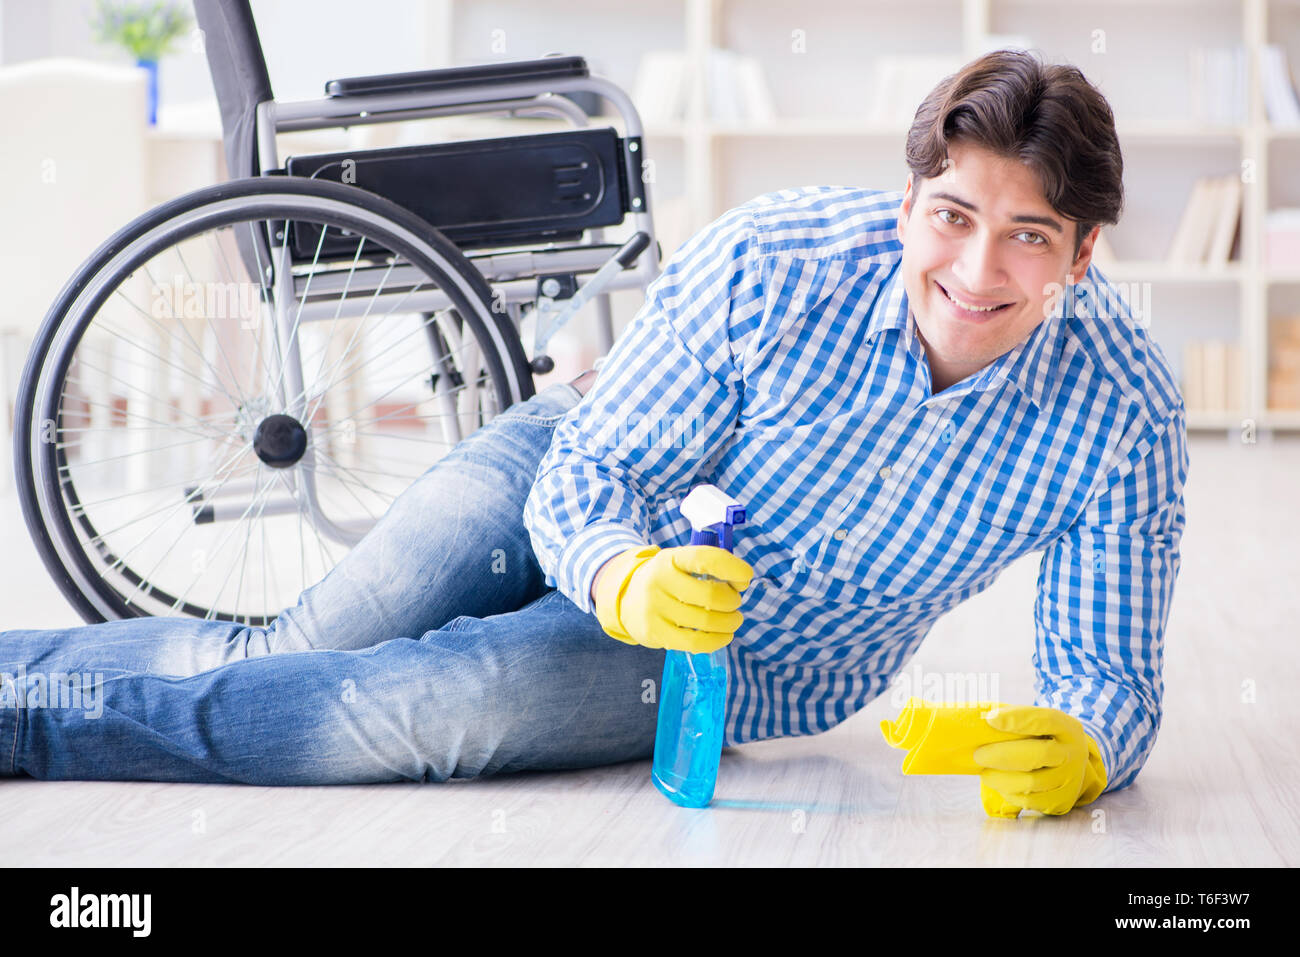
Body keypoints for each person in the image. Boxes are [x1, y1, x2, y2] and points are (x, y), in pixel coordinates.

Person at [0, 49, 1187, 818]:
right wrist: (622, 570)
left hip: (723, 666)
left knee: (409, 707)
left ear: (1085, 255)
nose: (976, 270)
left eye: (1030, 237)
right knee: (301, 646)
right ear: (907, 204)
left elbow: (1109, 681)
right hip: (570, 471)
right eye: (952, 216)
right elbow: (599, 467)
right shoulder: (778, 259)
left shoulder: (1121, 418)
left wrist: (1082, 747)